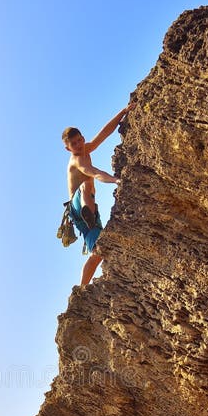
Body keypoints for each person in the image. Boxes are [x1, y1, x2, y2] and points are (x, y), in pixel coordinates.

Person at [62, 102, 134, 285]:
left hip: (89, 210)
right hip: (78, 208)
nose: (78, 145)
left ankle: (82, 287)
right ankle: (89, 213)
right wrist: (115, 180)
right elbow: (94, 172)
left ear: (82, 138)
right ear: (68, 148)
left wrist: (123, 112)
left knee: (99, 250)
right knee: (88, 182)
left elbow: (104, 133)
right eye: (73, 144)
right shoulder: (77, 161)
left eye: (79, 140)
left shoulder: (86, 148)